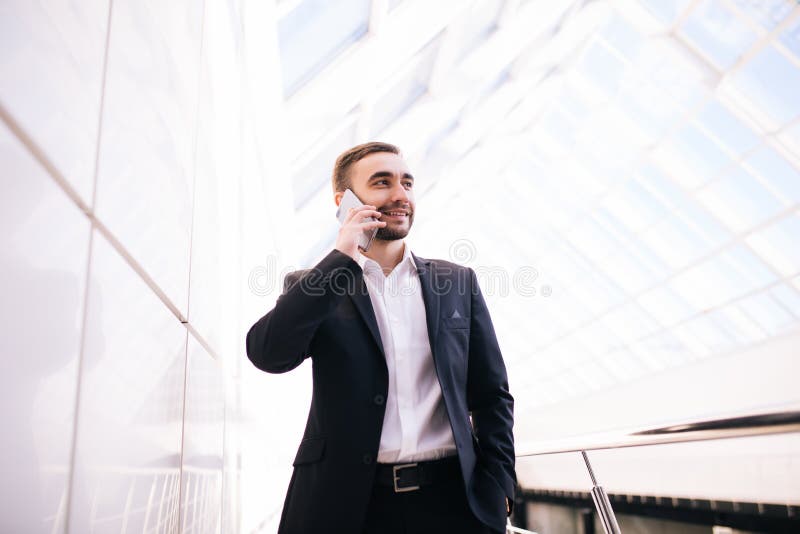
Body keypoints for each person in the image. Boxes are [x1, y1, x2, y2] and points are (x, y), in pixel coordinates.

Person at [246, 141, 515, 533]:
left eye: (407, 183)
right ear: (344, 201)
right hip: (347, 504)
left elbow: (492, 394)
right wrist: (341, 257)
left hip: (452, 503)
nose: (400, 195)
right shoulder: (316, 286)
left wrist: (500, 483)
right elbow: (268, 354)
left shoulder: (456, 282)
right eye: (382, 182)